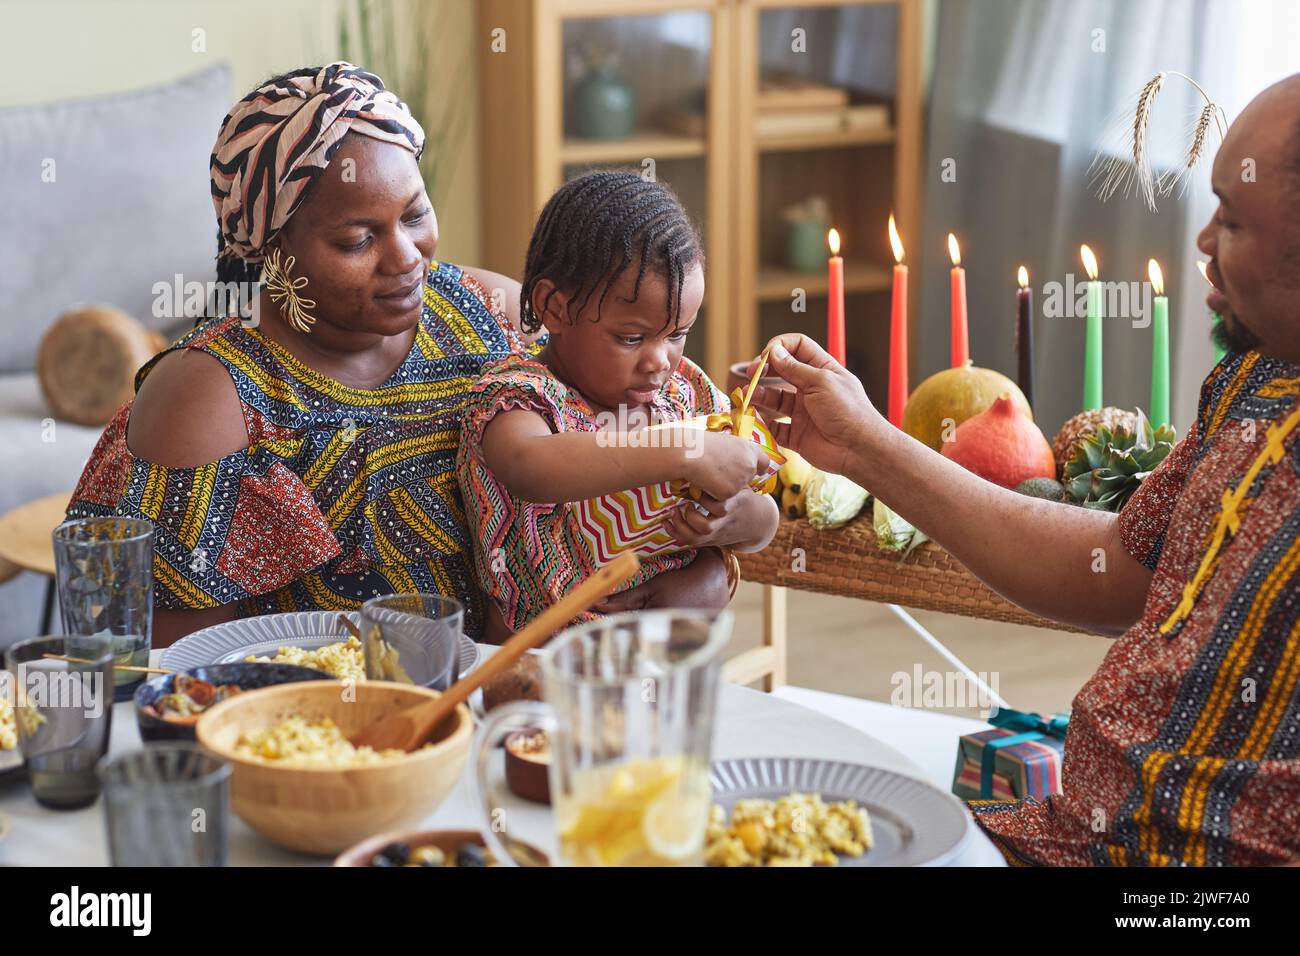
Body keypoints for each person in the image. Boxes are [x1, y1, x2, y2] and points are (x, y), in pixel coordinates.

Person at [748, 74, 1300, 866]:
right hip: (1066, 834)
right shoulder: (1251, 379)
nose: (1204, 242)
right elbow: (1109, 570)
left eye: (1235, 220)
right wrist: (862, 444)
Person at [63, 63, 721, 646]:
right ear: (269, 252)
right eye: (356, 239)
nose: (407, 259)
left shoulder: (492, 316)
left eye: (414, 215)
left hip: (516, 698)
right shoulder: (210, 394)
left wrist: (708, 575)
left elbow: (644, 488)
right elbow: (171, 665)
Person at [457, 171, 778, 639]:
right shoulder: (520, 396)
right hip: (538, 669)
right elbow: (529, 466)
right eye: (631, 337)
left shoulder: (684, 393)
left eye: (678, 334)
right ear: (554, 307)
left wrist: (734, 522)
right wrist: (687, 450)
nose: (659, 360)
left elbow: (764, 525)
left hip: (659, 668)